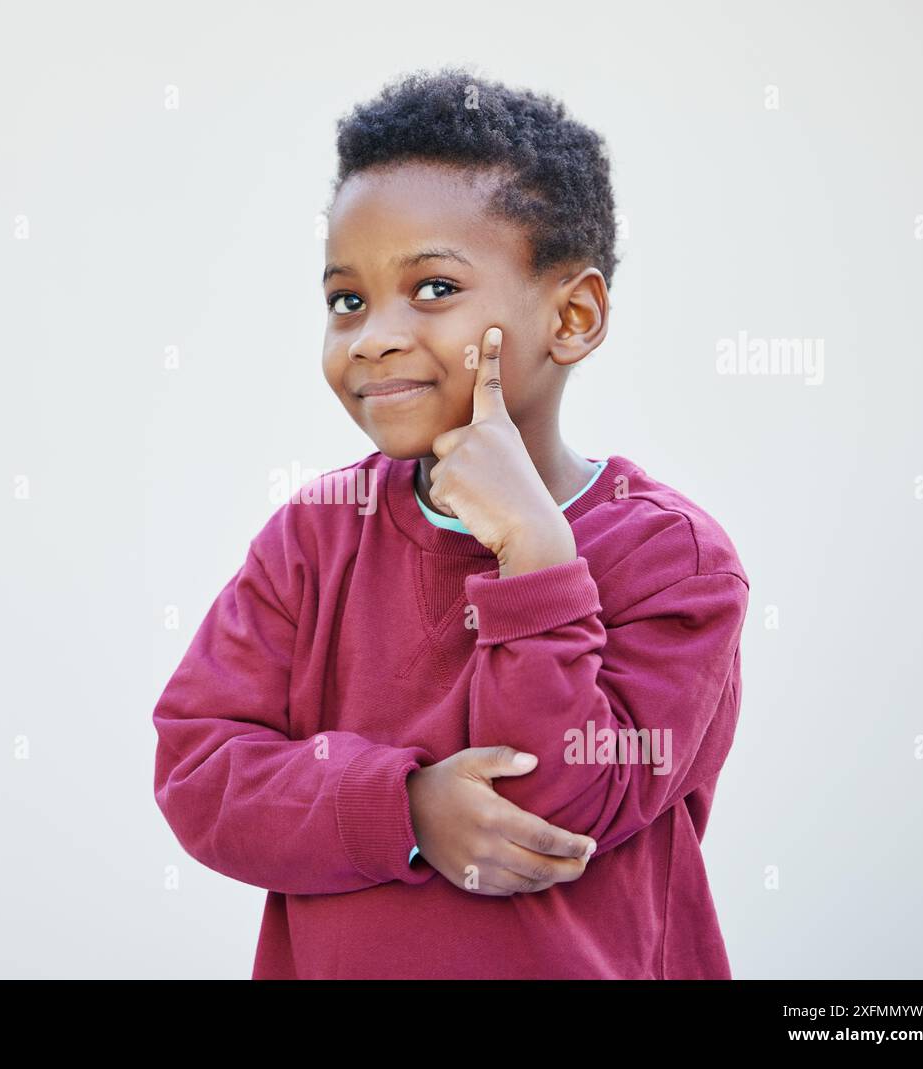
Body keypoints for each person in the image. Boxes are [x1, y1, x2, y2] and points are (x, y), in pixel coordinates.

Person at [151, 66, 750, 979]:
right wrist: (407, 809)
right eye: (346, 299)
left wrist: (538, 556)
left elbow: (552, 803)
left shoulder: (675, 560)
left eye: (432, 288)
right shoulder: (312, 538)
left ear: (574, 315)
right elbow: (200, 771)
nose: (372, 335)